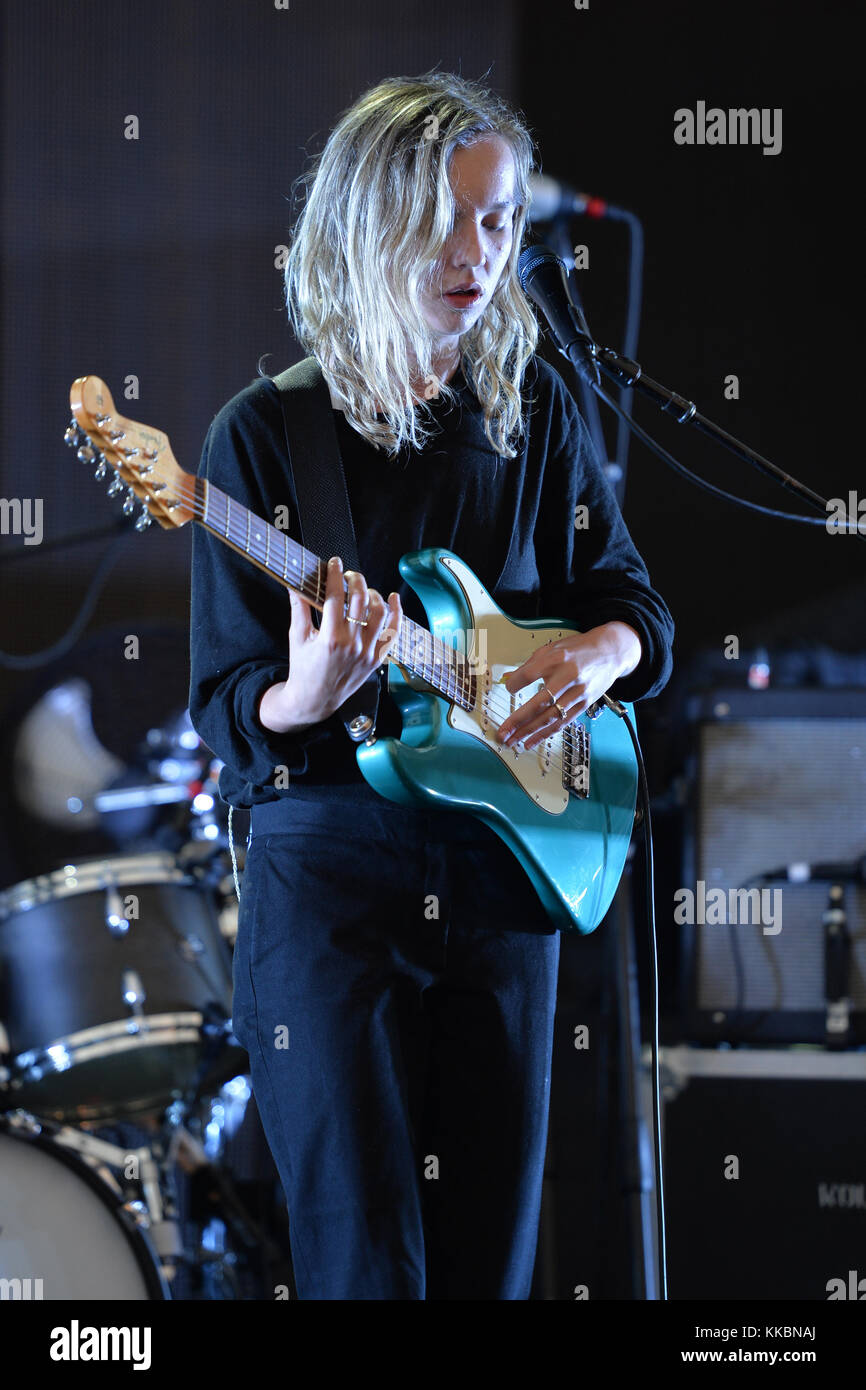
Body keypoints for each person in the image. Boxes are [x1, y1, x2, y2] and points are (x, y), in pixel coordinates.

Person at [188, 70, 674, 1301]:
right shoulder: (263, 438)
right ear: (367, 220)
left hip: (505, 875)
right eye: (445, 218)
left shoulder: (531, 411)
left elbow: (633, 607)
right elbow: (229, 709)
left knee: (485, 1273)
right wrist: (305, 694)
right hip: (332, 889)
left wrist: (594, 656)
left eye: (500, 219)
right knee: (363, 1267)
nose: (478, 252)